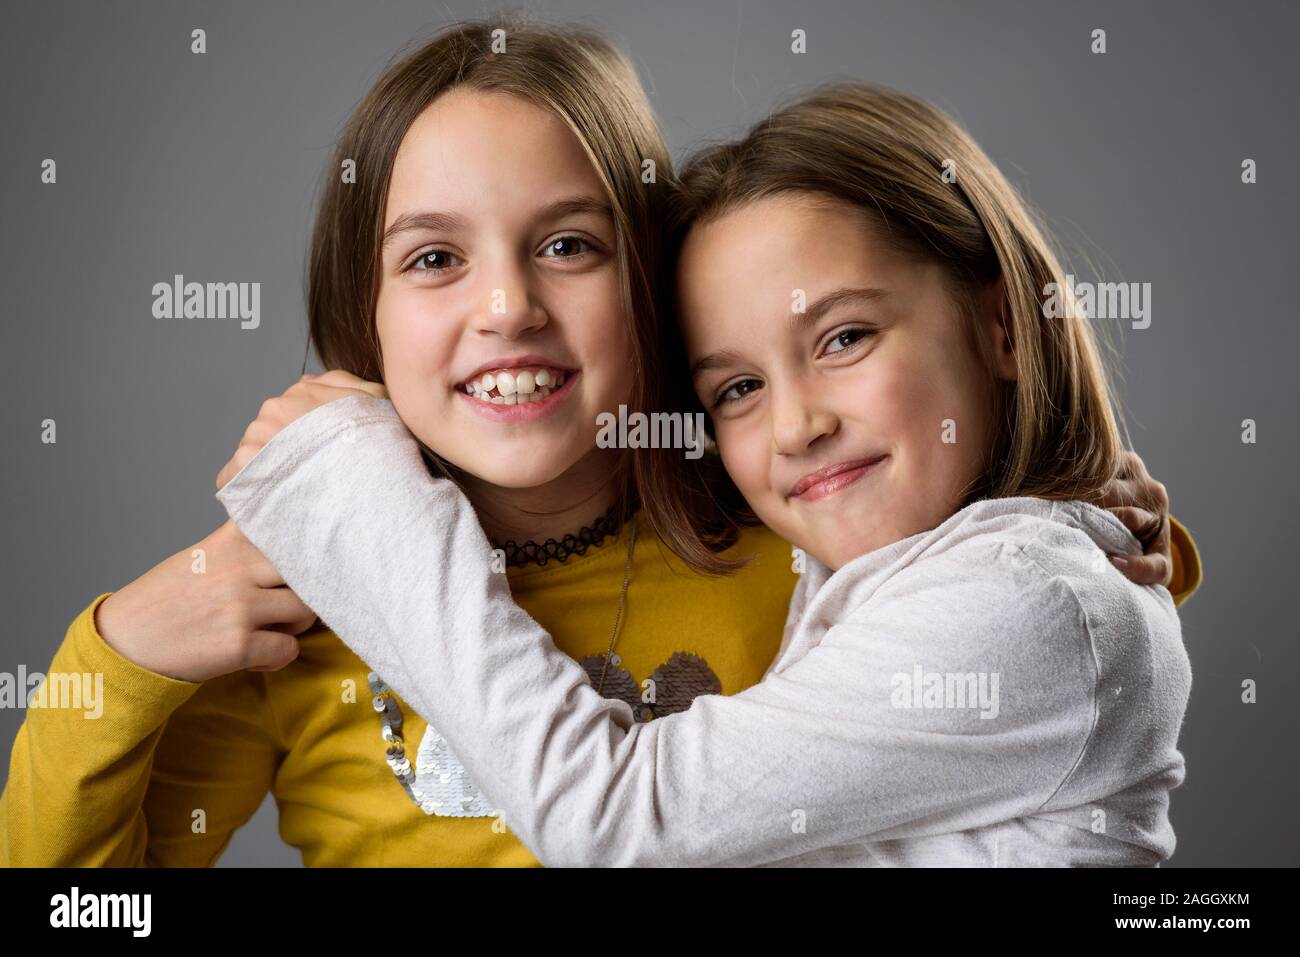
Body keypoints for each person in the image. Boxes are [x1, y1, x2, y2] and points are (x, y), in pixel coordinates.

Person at [214, 83, 1198, 866]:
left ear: (1000, 326)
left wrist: (356, 495)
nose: (797, 426)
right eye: (733, 389)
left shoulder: (1028, 608)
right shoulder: (923, 565)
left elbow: (618, 820)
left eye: (844, 336)